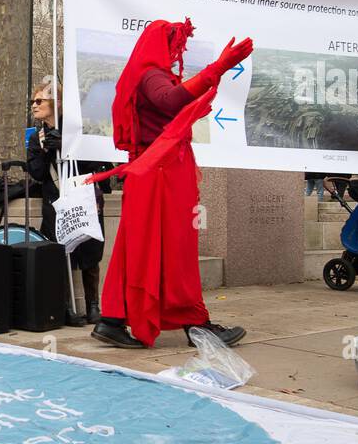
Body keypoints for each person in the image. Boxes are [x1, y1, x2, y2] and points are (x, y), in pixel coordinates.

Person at [90, 19, 253, 349]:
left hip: (153, 168)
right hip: (161, 171)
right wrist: (217, 68)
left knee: (137, 245)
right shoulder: (152, 74)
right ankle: (197, 325)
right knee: (175, 246)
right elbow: (169, 101)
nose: (179, 51)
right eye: (176, 44)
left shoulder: (145, 73)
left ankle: (112, 318)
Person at [25, 76, 110, 323]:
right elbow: (37, 173)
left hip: (85, 197)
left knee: (90, 250)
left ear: (57, 102)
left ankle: (94, 305)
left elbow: (98, 161)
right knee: (60, 251)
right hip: (56, 201)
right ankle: (64, 307)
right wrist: (46, 150)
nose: (34, 104)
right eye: (33, 100)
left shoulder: (78, 128)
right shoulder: (35, 137)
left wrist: (68, 145)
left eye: (39, 100)